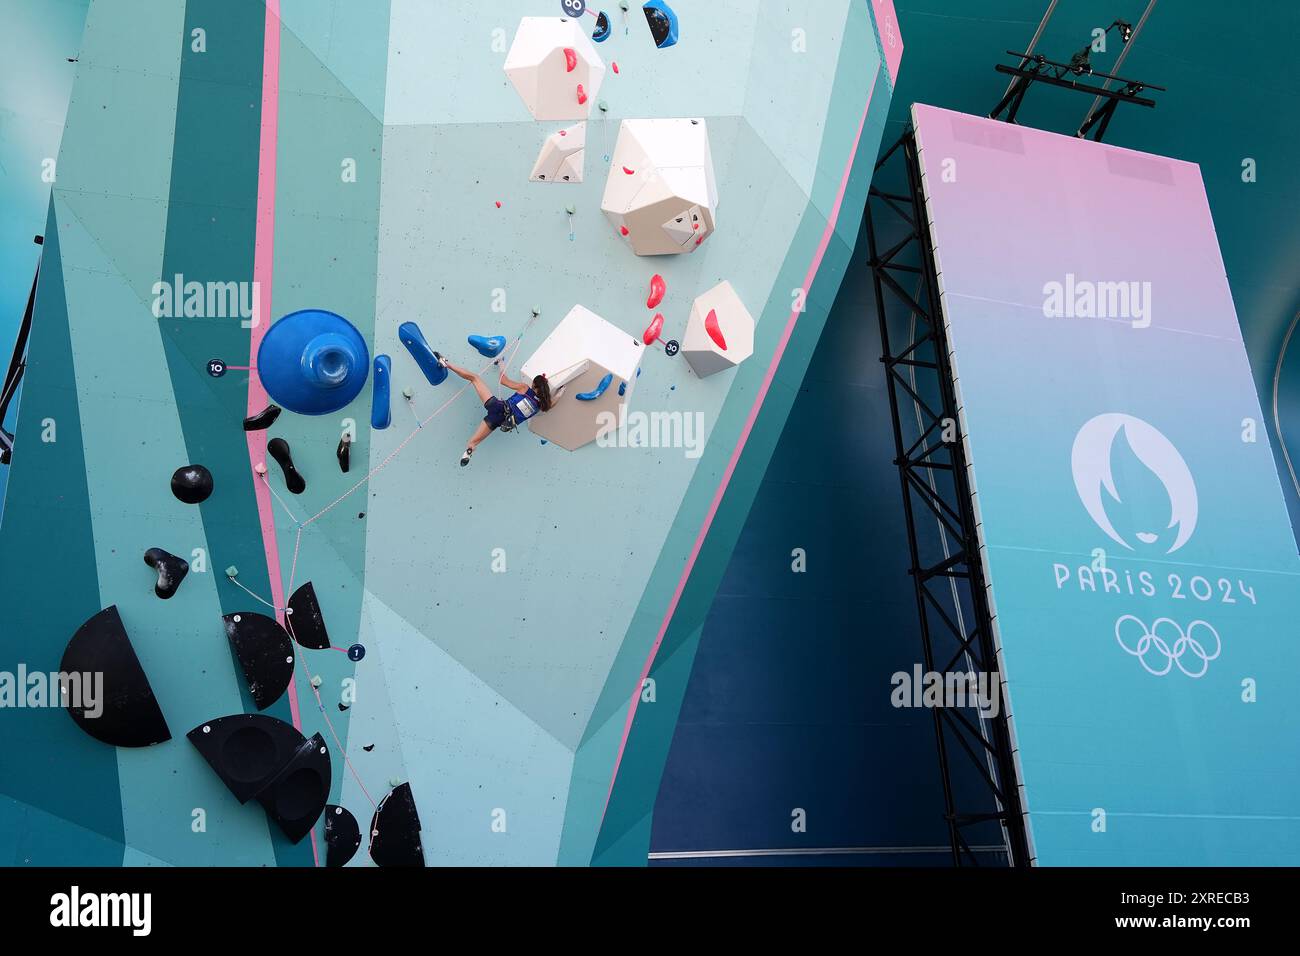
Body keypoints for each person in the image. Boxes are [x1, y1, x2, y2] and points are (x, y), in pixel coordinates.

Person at [437, 354, 553, 466]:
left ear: (534, 385)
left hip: (498, 407)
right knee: (473, 442)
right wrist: (559, 392)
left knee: (474, 378)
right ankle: (469, 450)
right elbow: (552, 403)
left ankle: (446, 364)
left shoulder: (525, 388)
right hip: (500, 421)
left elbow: (503, 380)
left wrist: (501, 363)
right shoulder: (540, 406)